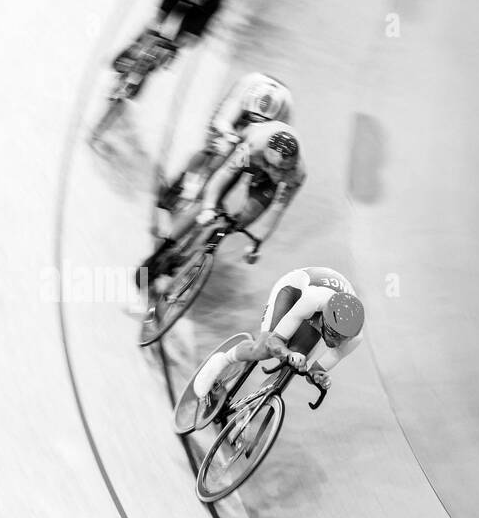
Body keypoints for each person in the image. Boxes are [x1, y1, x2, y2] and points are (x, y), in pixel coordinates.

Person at [141, 121, 305, 285]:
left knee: (244, 218)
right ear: (266, 158)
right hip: (249, 157)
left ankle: (202, 246)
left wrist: (258, 242)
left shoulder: (297, 175)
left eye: (284, 170)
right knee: (206, 201)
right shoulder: (253, 146)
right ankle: (165, 247)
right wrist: (208, 207)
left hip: (265, 177)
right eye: (277, 168)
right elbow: (224, 174)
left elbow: (278, 210)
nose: (279, 173)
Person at [191, 266, 365, 418]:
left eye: (343, 338)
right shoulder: (313, 300)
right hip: (293, 291)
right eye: (335, 335)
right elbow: (275, 341)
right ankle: (223, 359)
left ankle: (248, 410)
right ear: (324, 321)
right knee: (264, 349)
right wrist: (288, 353)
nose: (337, 343)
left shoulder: (354, 338)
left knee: (293, 368)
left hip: (321, 308)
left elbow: (313, 373)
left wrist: (318, 378)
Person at [159, 72, 293, 211]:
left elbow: (273, 152)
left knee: (243, 163)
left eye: (260, 120)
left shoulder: (284, 113)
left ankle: (217, 196)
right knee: (215, 145)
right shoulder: (246, 89)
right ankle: (182, 183)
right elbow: (221, 122)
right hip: (242, 100)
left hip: (269, 124)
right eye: (252, 117)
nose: (254, 120)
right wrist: (229, 139)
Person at [112, 0, 226, 73]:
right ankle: (142, 43)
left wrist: (191, 35)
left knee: (188, 35)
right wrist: (160, 18)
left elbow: (204, 19)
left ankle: (163, 49)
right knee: (161, 21)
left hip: (201, 8)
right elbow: (168, 0)